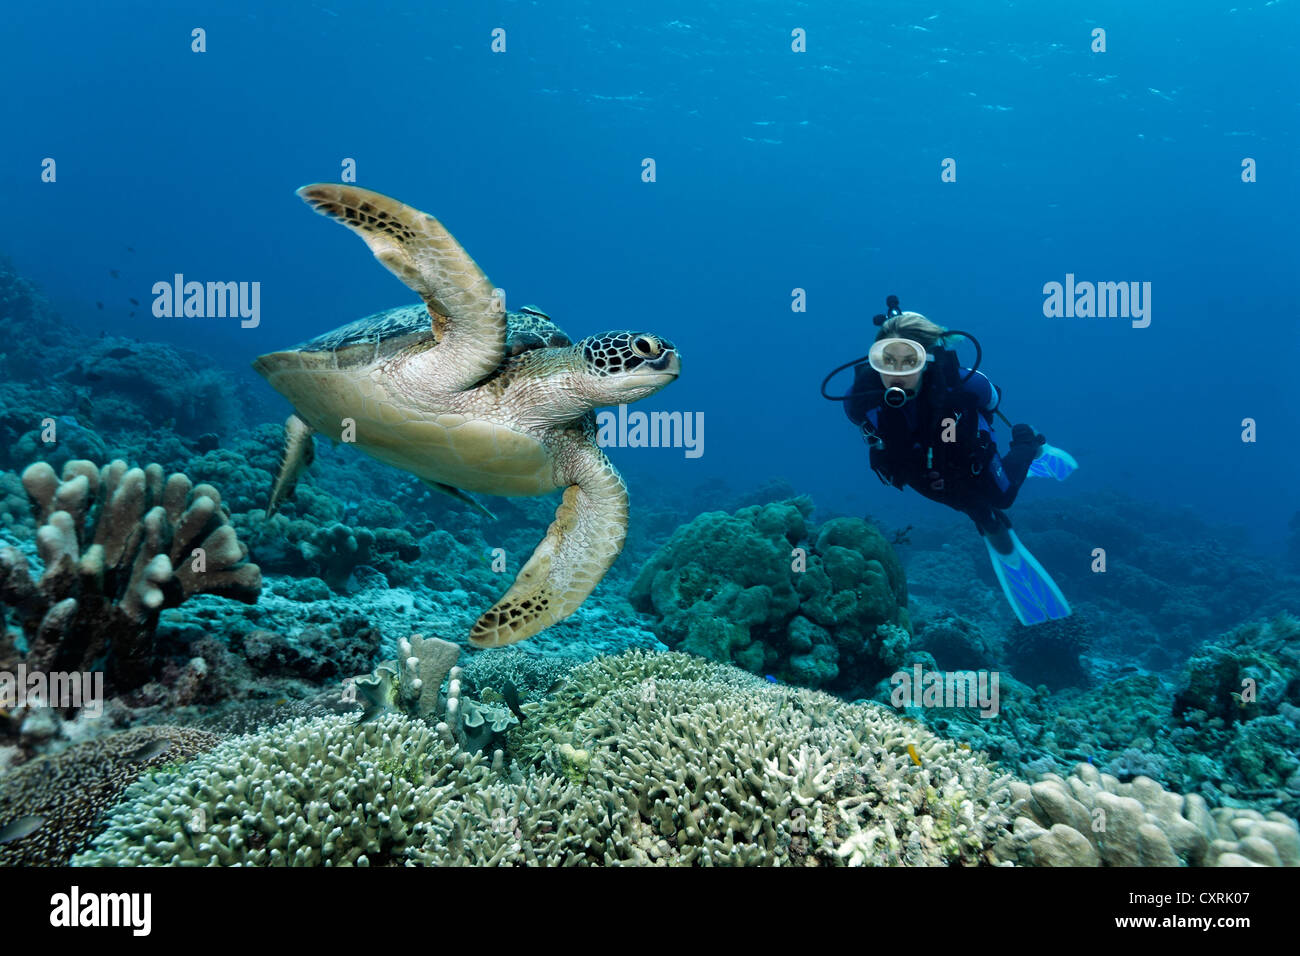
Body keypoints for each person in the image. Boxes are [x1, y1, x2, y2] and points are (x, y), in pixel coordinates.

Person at [826, 297, 1077, 625]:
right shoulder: (858, 400)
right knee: (978, 508)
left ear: (927, 359)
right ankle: (987, 521)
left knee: (1003, 496)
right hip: (917, 469)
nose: (896, 374)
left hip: (968, 452)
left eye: (909, 361)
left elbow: (992, 399)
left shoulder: (963, 381)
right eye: (886, 361)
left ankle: (1030, 445)